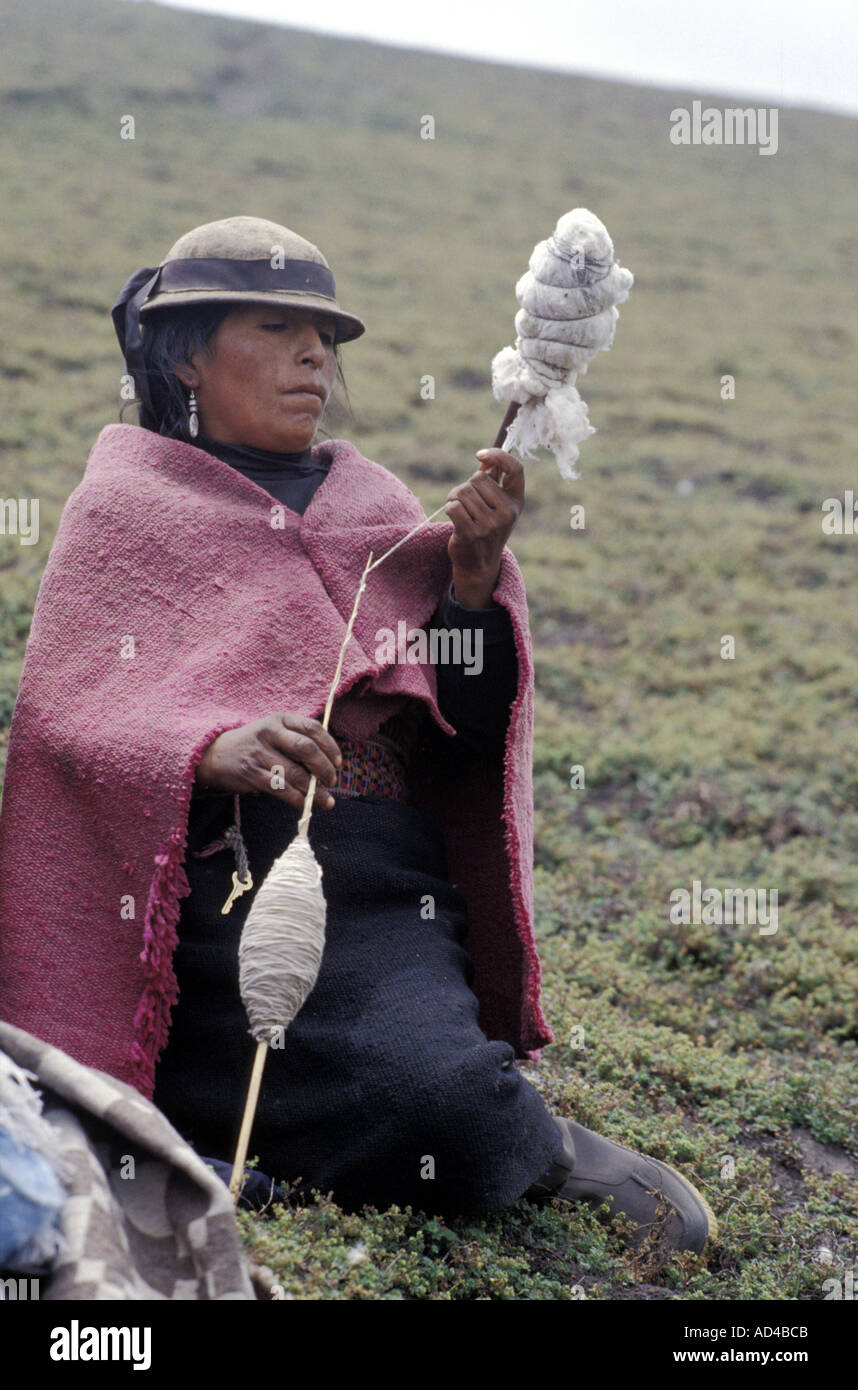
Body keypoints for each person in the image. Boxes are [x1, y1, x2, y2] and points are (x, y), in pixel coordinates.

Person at [0, 216, 716, 1256]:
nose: (312, 358)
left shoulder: (375, 506)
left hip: (375, 893)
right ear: (187, 351)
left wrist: (473, 589)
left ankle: (523, 1139)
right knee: (136, 1098)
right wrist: (205, 748)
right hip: (194, 913)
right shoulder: (124, 506)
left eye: (324, 336)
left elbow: (463, 741)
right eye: (277, 327)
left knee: (436, 1094)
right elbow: (63, 723)